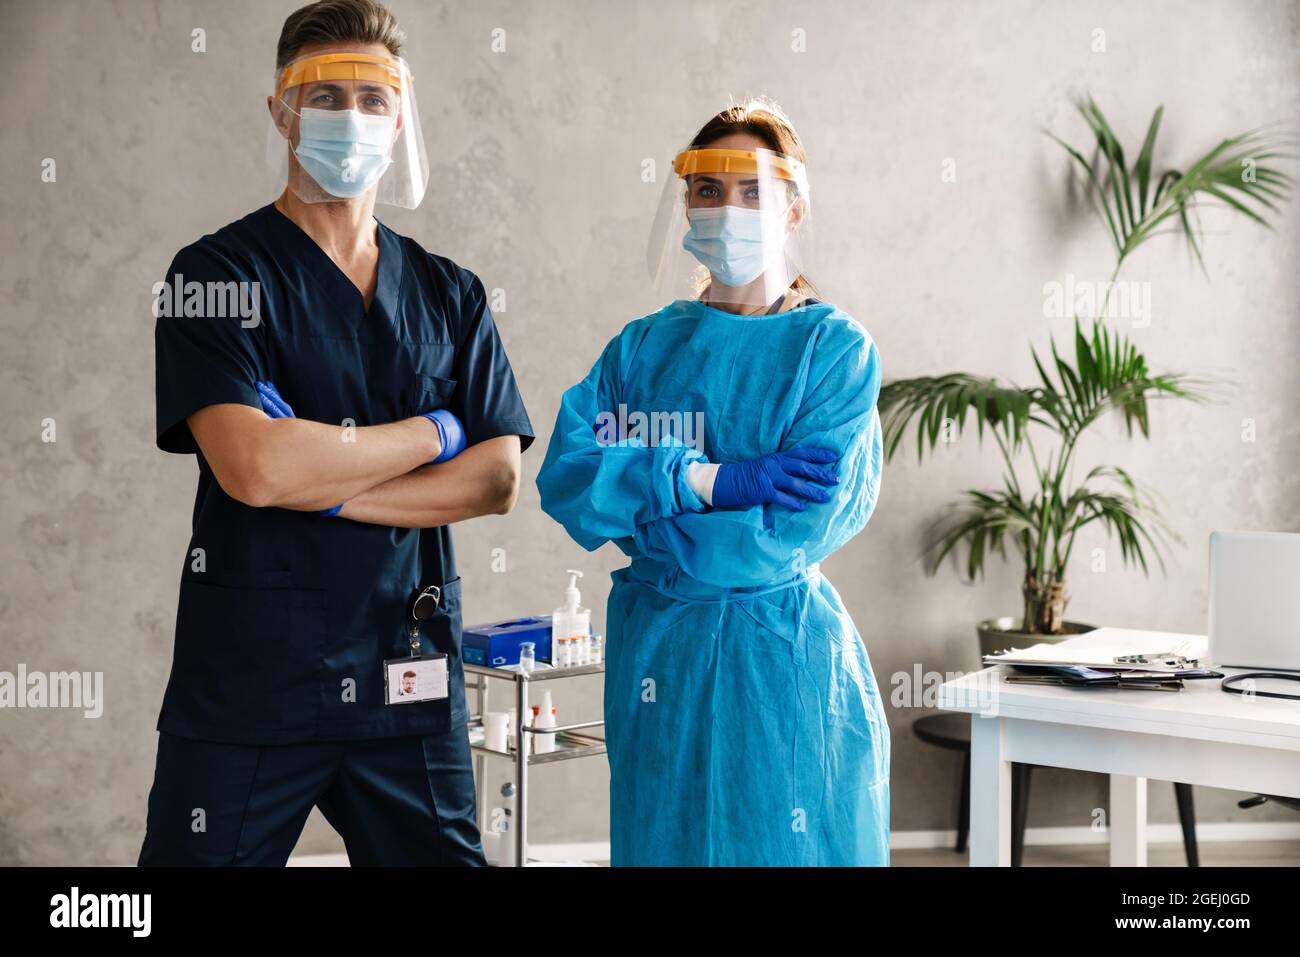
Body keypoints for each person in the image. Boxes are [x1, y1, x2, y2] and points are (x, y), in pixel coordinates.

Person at [139, 0, 533, 866]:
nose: (350, 118)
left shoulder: (451, 292)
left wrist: (320, 481)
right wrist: (435, 431)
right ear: (281, 111)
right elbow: (252, 467)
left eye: (373, 98)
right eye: (324, 96)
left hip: (408, 673)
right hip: (251, 680)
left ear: (400, 120)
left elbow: (497, 479)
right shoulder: (214, 276)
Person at [536, 99, 889, 866]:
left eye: (753, 190)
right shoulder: (642, 349)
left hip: (783, 667)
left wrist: (649, 500)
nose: (727, 207)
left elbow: (781, 541)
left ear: (793, 207)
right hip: (658, 660)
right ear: (685, 202)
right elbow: (567, 475)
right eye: (708, 189)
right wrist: (712, 479)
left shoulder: (832, 352)